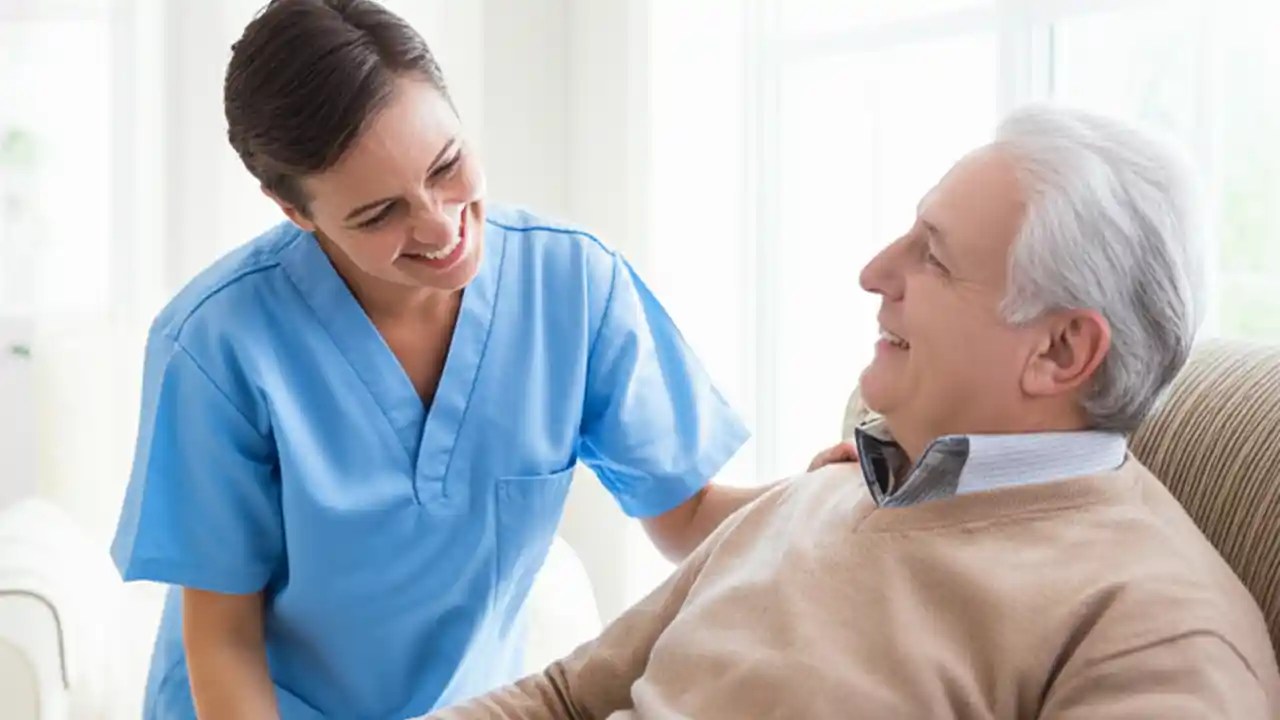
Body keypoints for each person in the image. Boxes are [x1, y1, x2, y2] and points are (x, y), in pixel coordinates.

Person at [108, 1, 851, 717]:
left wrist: (828, 498)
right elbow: (222, 638)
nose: (439, 226)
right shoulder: (215, 344)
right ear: (295, 211)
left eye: (446, 165)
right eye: (378, 213)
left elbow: (686, 514)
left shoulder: (572, 287)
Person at [425, 105, 1280, 719]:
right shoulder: (824, 492)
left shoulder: (1154, 632)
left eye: (933, 258)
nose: (874, 271)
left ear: (1059, 352)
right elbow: (565, 697)